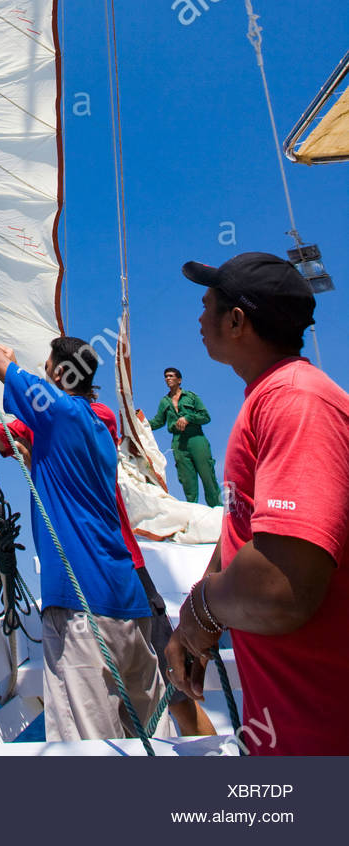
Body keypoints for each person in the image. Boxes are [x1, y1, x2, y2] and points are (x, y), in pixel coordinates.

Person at [0, 335, 214, 738]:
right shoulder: (101, 423)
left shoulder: (53, 416)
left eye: (48, 367)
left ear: (60, 374)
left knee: (88, 741)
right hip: (128, 592)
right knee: (156, 721)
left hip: (79, 599)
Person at [165, 252, 349, 756]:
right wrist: (195, 620)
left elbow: (277, 586)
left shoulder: (296, 401)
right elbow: (243, 528)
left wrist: (202, 612)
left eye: (207, 305)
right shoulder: (271, 397)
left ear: (237, 321)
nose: (198, 318)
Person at [149, 368, 221, 507]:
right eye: (166, 376)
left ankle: (218, 511)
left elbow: (206, 417)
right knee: (187, 480)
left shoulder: (191, 397)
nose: (167, 379)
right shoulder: (164, 402)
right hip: (178, 442)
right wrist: (139, 422)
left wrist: (188, 417)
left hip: (196, 439)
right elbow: (158, 422)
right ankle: (193, 514)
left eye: (171, 376)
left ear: (179, 380)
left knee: (208, 476)